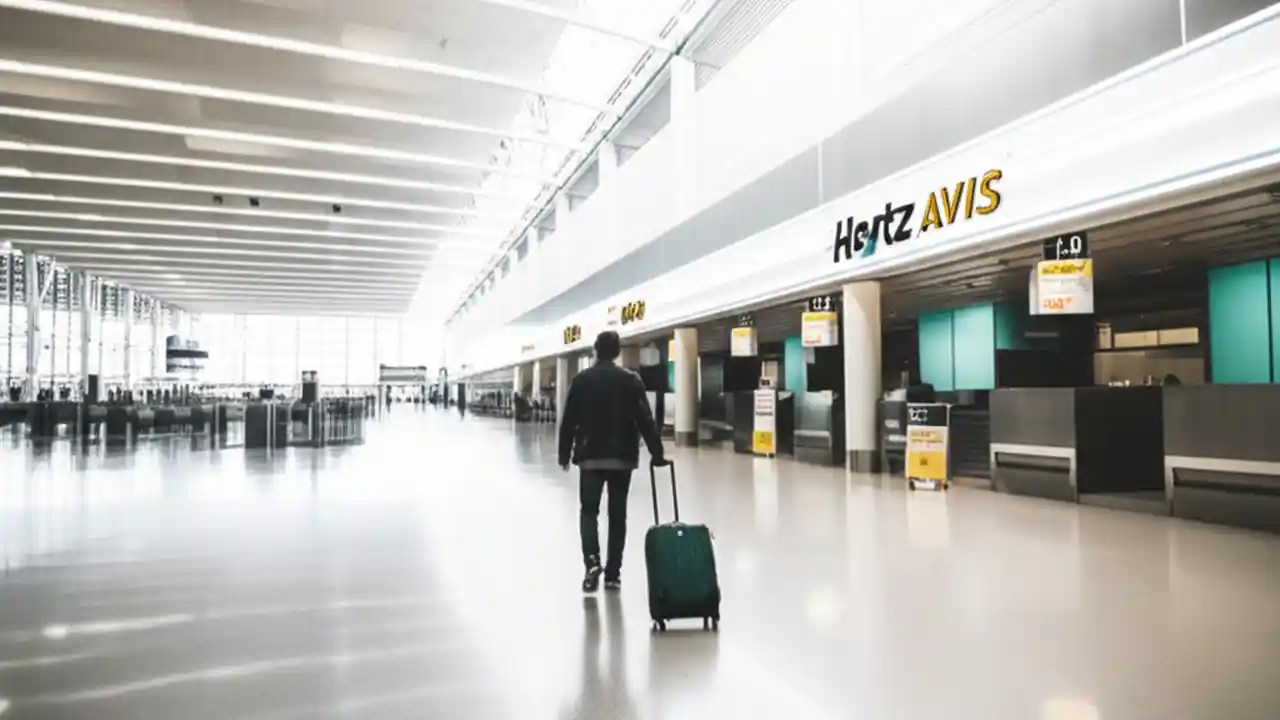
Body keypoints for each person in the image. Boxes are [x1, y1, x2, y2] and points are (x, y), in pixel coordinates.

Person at [559, 331, 668, 593]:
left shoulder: (582, 380)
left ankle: (592, 562)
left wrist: (564, 453)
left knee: (589, 511)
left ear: (595, 350)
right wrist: (657, 452)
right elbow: (645, 419)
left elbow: (569, 419)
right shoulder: (631, 380)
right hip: (621, 457)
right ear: (618, 352)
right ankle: (613, 574)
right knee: (617, 515)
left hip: (591, 457)